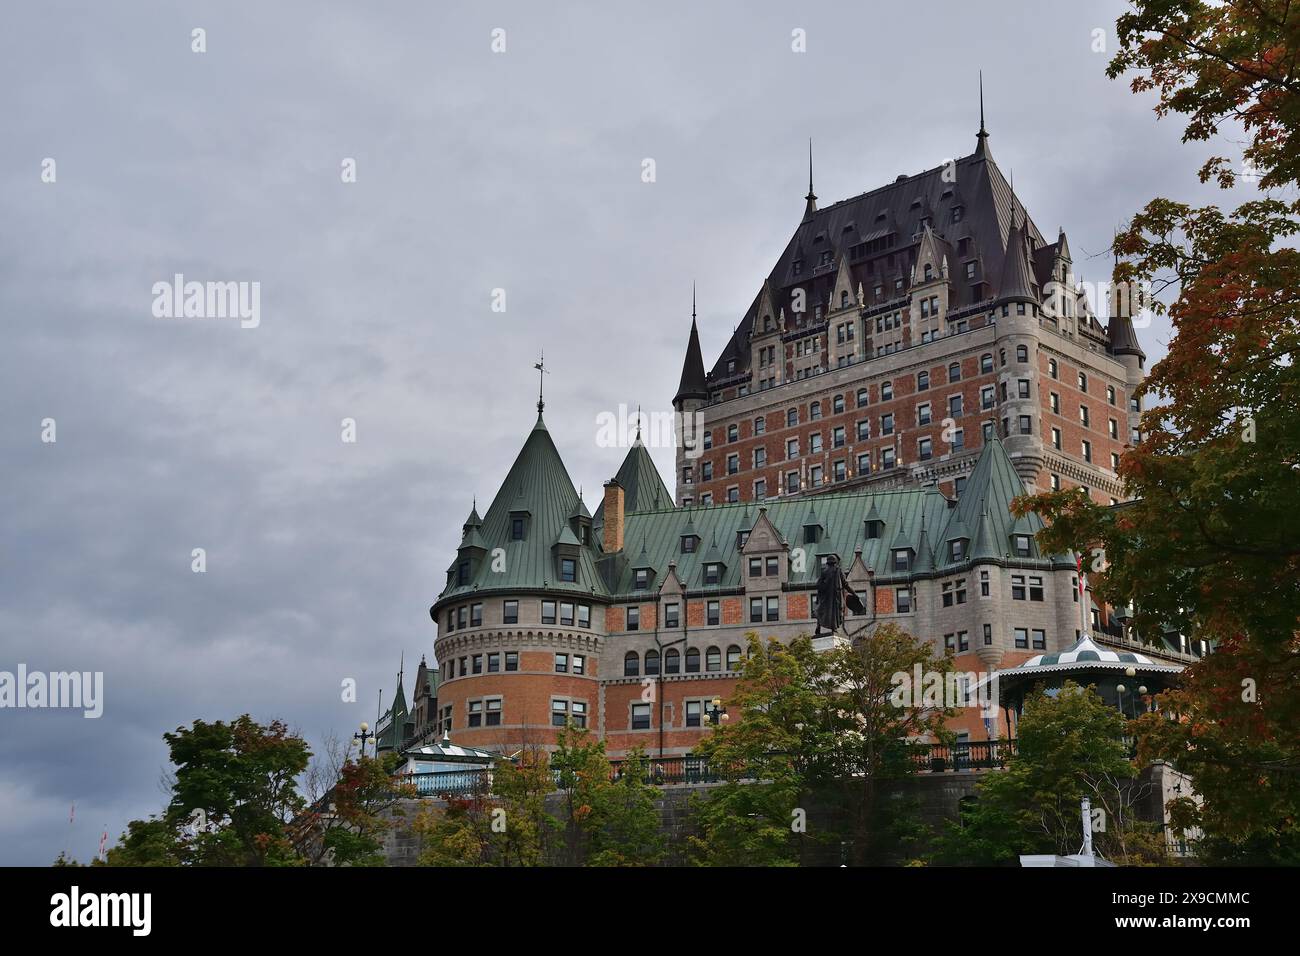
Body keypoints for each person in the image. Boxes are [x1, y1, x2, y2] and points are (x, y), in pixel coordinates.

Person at [813, 555, 864, 637]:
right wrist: (854, 593)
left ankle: (819, 626)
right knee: (835, 612)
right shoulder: (838, 570)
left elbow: (818, 585)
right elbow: (845, 584)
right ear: (835, 562)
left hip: (826, 597)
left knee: (822, 611)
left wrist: (825, 588)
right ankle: (833, 628)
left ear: (828, 563)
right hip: (836, 596)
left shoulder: (824, 571)